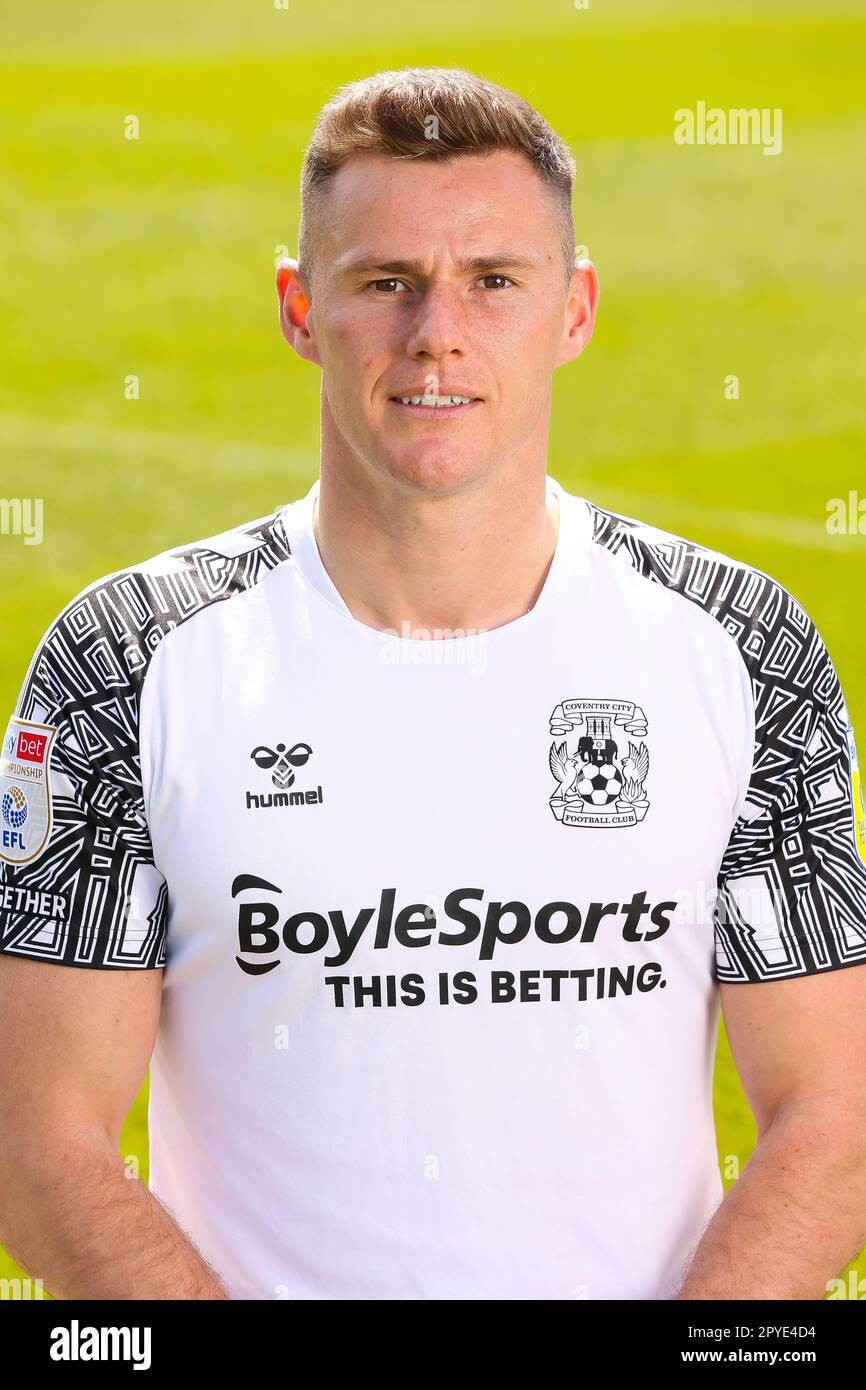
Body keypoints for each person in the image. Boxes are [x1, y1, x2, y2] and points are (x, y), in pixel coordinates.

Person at [1, 66, 865, 1302]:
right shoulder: (124, 660)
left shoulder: (740, 643)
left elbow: (832, 1115)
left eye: (493, 282)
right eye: (384, 283)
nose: (436, 335)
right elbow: (38, 1149)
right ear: (302, 308)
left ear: (572, 311)